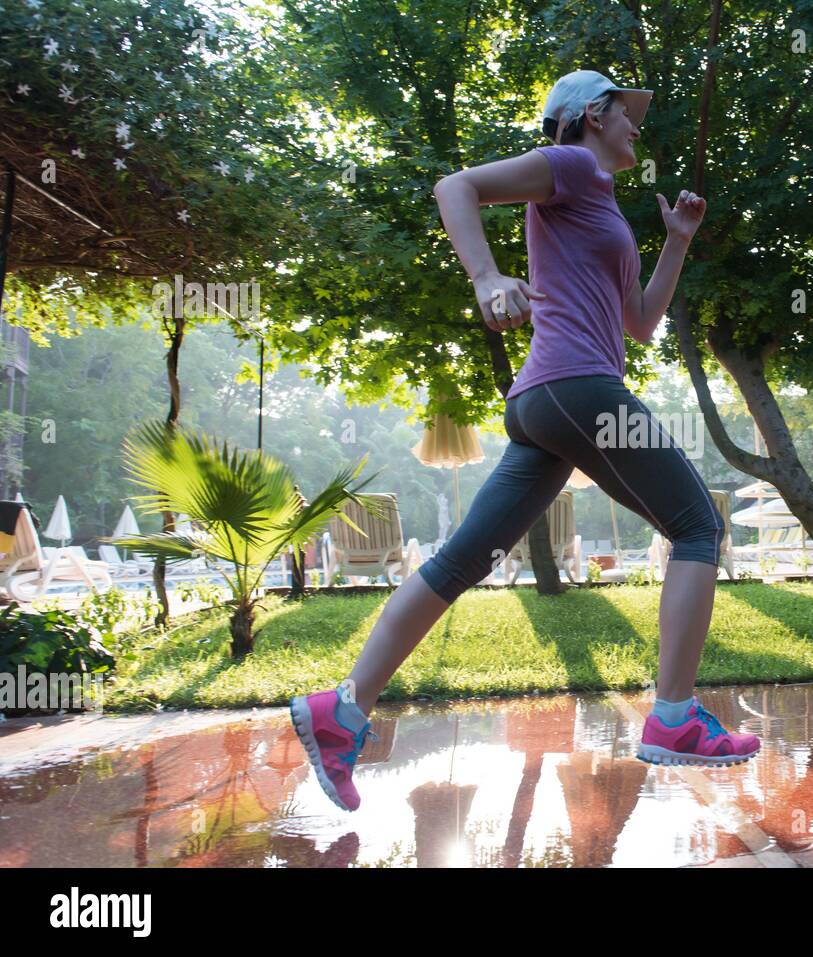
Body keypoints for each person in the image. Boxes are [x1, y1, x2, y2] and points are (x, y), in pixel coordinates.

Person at [290, 69, 760, 813]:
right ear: (588, 116)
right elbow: (456, 186)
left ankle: (341, 710)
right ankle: (673, 717)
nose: (638, 125)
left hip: (548, 403)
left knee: (460, 559)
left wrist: (677, 243)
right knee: (699, 522)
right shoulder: (571, 165)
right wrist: (485, 277)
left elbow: (639, 323)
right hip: (578, 390)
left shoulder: (604, 204)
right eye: (626, 113)